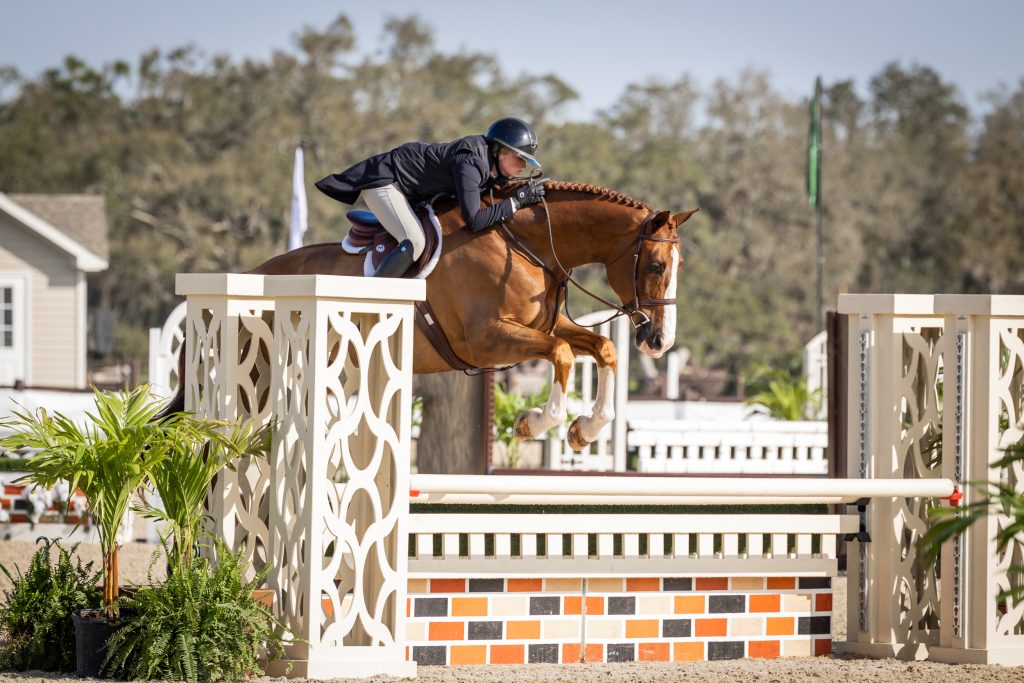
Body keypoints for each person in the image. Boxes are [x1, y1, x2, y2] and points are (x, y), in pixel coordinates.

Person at [315, 117, 547, 277]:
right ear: (500, 151)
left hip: (411, 191)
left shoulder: (489, 164)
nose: (523, 165)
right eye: (520, 158)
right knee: (415, 242)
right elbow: (474, 220)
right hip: (388, 183)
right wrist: (516, 202)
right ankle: (371, 301)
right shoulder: (471, 162)